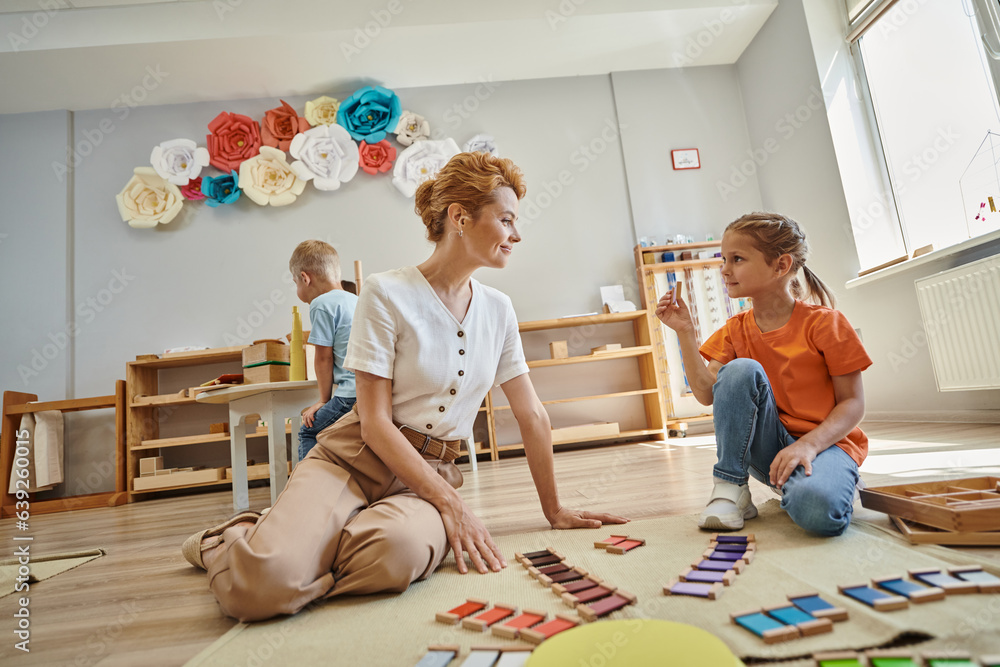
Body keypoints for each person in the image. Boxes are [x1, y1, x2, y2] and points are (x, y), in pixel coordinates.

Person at [182, 152, 628, 622]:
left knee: (393, 556)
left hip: (427, 478)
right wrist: (452, 505)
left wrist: (555, 509)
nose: (516, 235)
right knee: (260, 592)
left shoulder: (499, 310)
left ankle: (298, 547)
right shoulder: (385, 291)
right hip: (352, 458)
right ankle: (230, 542)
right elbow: (373, 423)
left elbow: (531, 414)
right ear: (460, 217)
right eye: (506, 220)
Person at [656, 212, 872, 536]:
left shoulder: (826, 324)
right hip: (767, 448)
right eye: (723, 259)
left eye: (737, 259)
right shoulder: (734, 330)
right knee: (740, 369)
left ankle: (827, 480)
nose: (724, 269)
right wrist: (685, 332)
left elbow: (853, 403)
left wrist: (808, 446)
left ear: (781, 266)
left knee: (818, 514)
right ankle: (731, 488)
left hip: (826, 444)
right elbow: (704, 393)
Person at [289, 240, 358, 462]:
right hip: (371, 390)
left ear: (305, 278)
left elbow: (323, 357)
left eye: (295, 282)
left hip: (350, 395)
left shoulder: (321, 303)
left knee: (309, 429)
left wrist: (323, 400)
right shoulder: (356, 300)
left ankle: (307, 490)